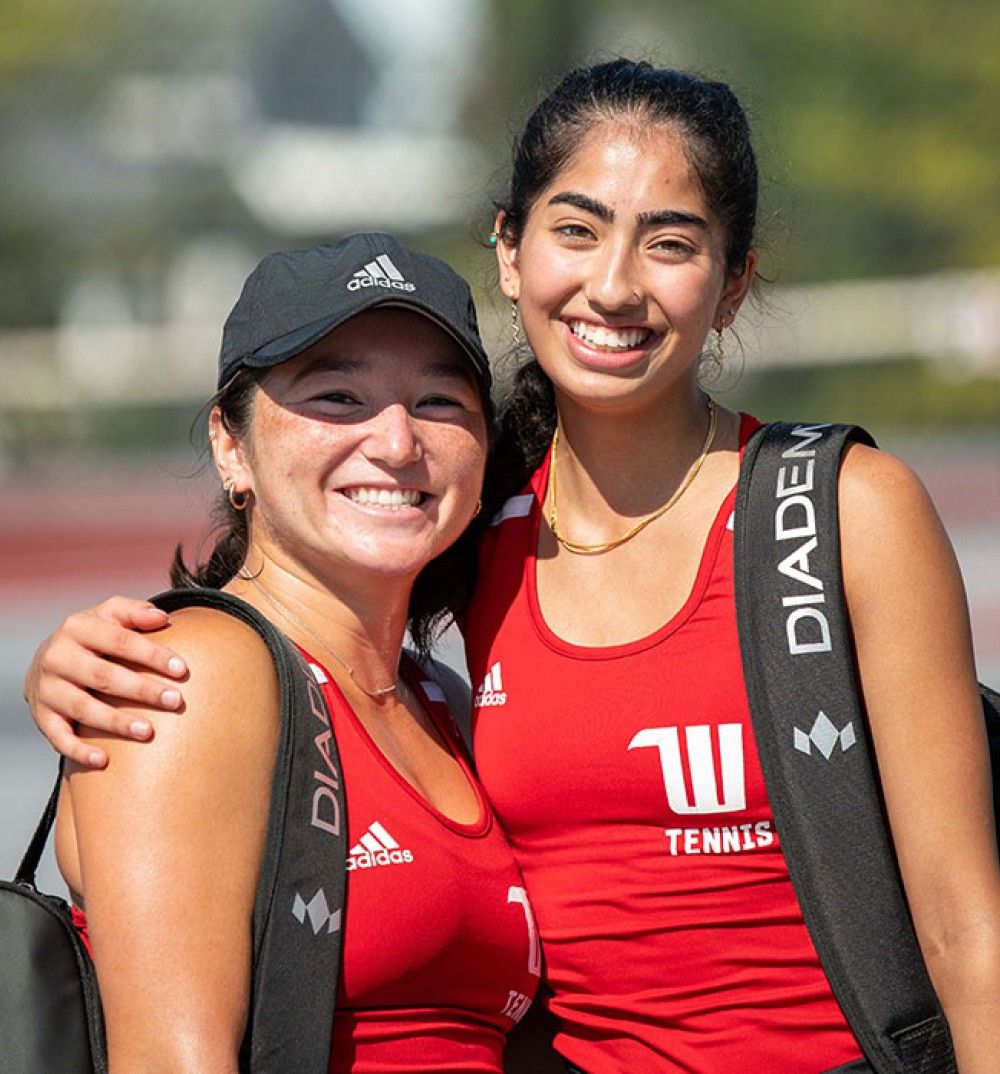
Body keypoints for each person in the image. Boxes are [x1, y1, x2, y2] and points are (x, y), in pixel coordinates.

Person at [25, 61, 1000, 1074]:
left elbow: (968, 930)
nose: (614, 284)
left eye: (668, 243)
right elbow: (272, 644)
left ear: (733, 283)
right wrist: (88, 663)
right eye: (575, 230)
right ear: (509, 248)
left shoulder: (841, 512)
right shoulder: (468, 532)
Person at [42, 232, 542, 1073]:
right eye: (339, 397)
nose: (396, 443)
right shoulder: (191, 677)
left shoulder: (441, 700)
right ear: (230, 445)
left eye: (439, 402)